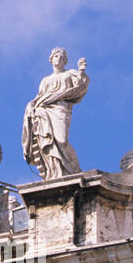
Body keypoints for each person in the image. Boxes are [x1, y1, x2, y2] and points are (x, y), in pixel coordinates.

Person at [22, 47, 89, 178]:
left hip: (61, 109)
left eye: (61, 57)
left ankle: (73, 170)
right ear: (51, 59)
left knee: (61, 140)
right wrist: (31, 105)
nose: (59, 58)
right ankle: (54, 172)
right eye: (56, 56)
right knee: (48, 141)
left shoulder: (70, 74)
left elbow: (80, 87)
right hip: (43, 111)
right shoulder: (45, 80)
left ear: (65, 61)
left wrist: (81, 71)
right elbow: (39, 97)